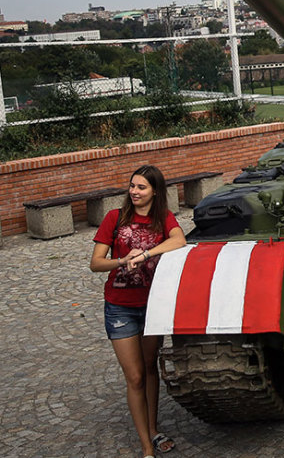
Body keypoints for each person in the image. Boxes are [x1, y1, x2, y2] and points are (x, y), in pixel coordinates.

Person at [90, 165, 186, 457]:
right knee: (134, 377)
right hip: (120, 307)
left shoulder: (163, 218)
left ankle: (153, 430)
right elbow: (96, 263)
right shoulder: (114, 219)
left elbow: (179, 240)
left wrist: (145, 254)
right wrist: (122, 261)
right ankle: (146, 446)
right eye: (132, 186)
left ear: (155, 191)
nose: (134, 191)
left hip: (152, 305)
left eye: (141, 187)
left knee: (149, 368)